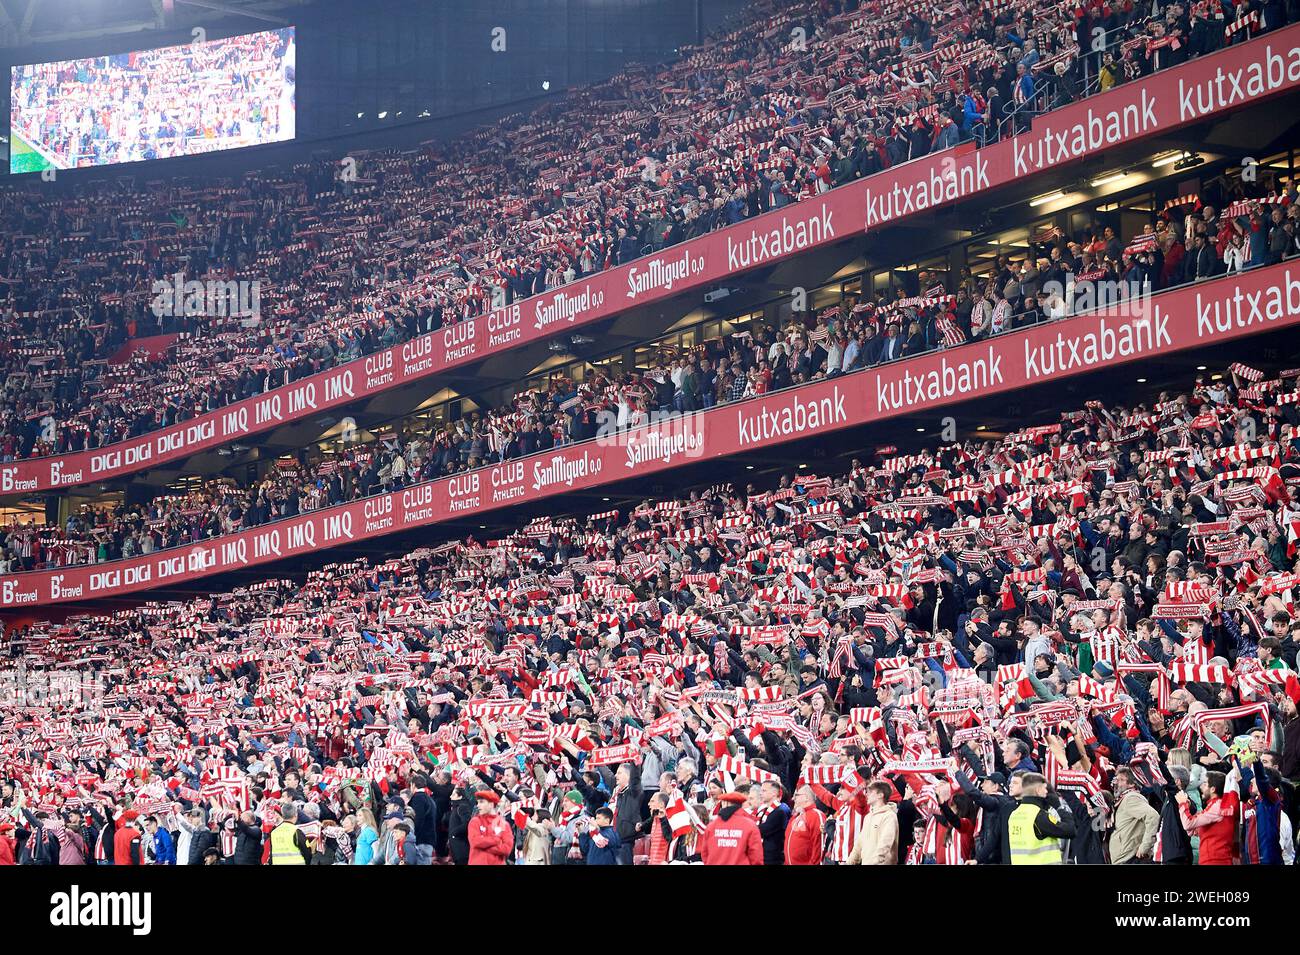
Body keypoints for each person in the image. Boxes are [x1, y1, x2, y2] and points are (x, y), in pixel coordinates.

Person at [1006, 773, 1076, 864]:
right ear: (1038, 790)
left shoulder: (1014, 814)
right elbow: (1070, 831)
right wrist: (1059, 807)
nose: (1047, 792)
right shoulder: (1038, 815)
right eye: (1045, 788)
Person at [1176, 770, 1238, 865]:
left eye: (1205, 784)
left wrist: (1182, 804)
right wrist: (1187, 808)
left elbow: (1188, 824)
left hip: (1216, 861)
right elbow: (1192, 830)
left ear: (1212, 789)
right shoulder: (1213, 806)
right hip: (1211, 860)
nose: (1201, 787)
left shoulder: (1217, 806)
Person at [1110, 768, 1160, 863]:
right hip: (1126, 858)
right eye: (1117, 779)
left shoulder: (1131, 798)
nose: (1117, 783)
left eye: (1121, 780)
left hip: (1131, 858)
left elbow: (1153, 817)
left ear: (1132, 783)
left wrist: (1145, 846)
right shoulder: (1122, 799)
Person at [699, 791, 763, 865]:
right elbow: (756, 857)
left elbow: (705, 854)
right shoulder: (750, 825)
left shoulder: (712, 826)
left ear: (726, 803)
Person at [847, 781, 899, 865]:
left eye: (870, 792)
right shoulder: (868, 817)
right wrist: (850, 862)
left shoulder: (889, 816)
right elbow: (859, 842)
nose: (867, 795)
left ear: (880, 795)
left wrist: (875, 862)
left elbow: (885, 843)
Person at [467, 789, 512, 865]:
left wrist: (483, 846)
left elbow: (506, 849)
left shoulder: (503, 824)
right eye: (478, 802)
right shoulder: (475, 821)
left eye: (481, 802)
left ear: (491, 804)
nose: (478, 805)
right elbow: (475, 842)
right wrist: (496, 840)